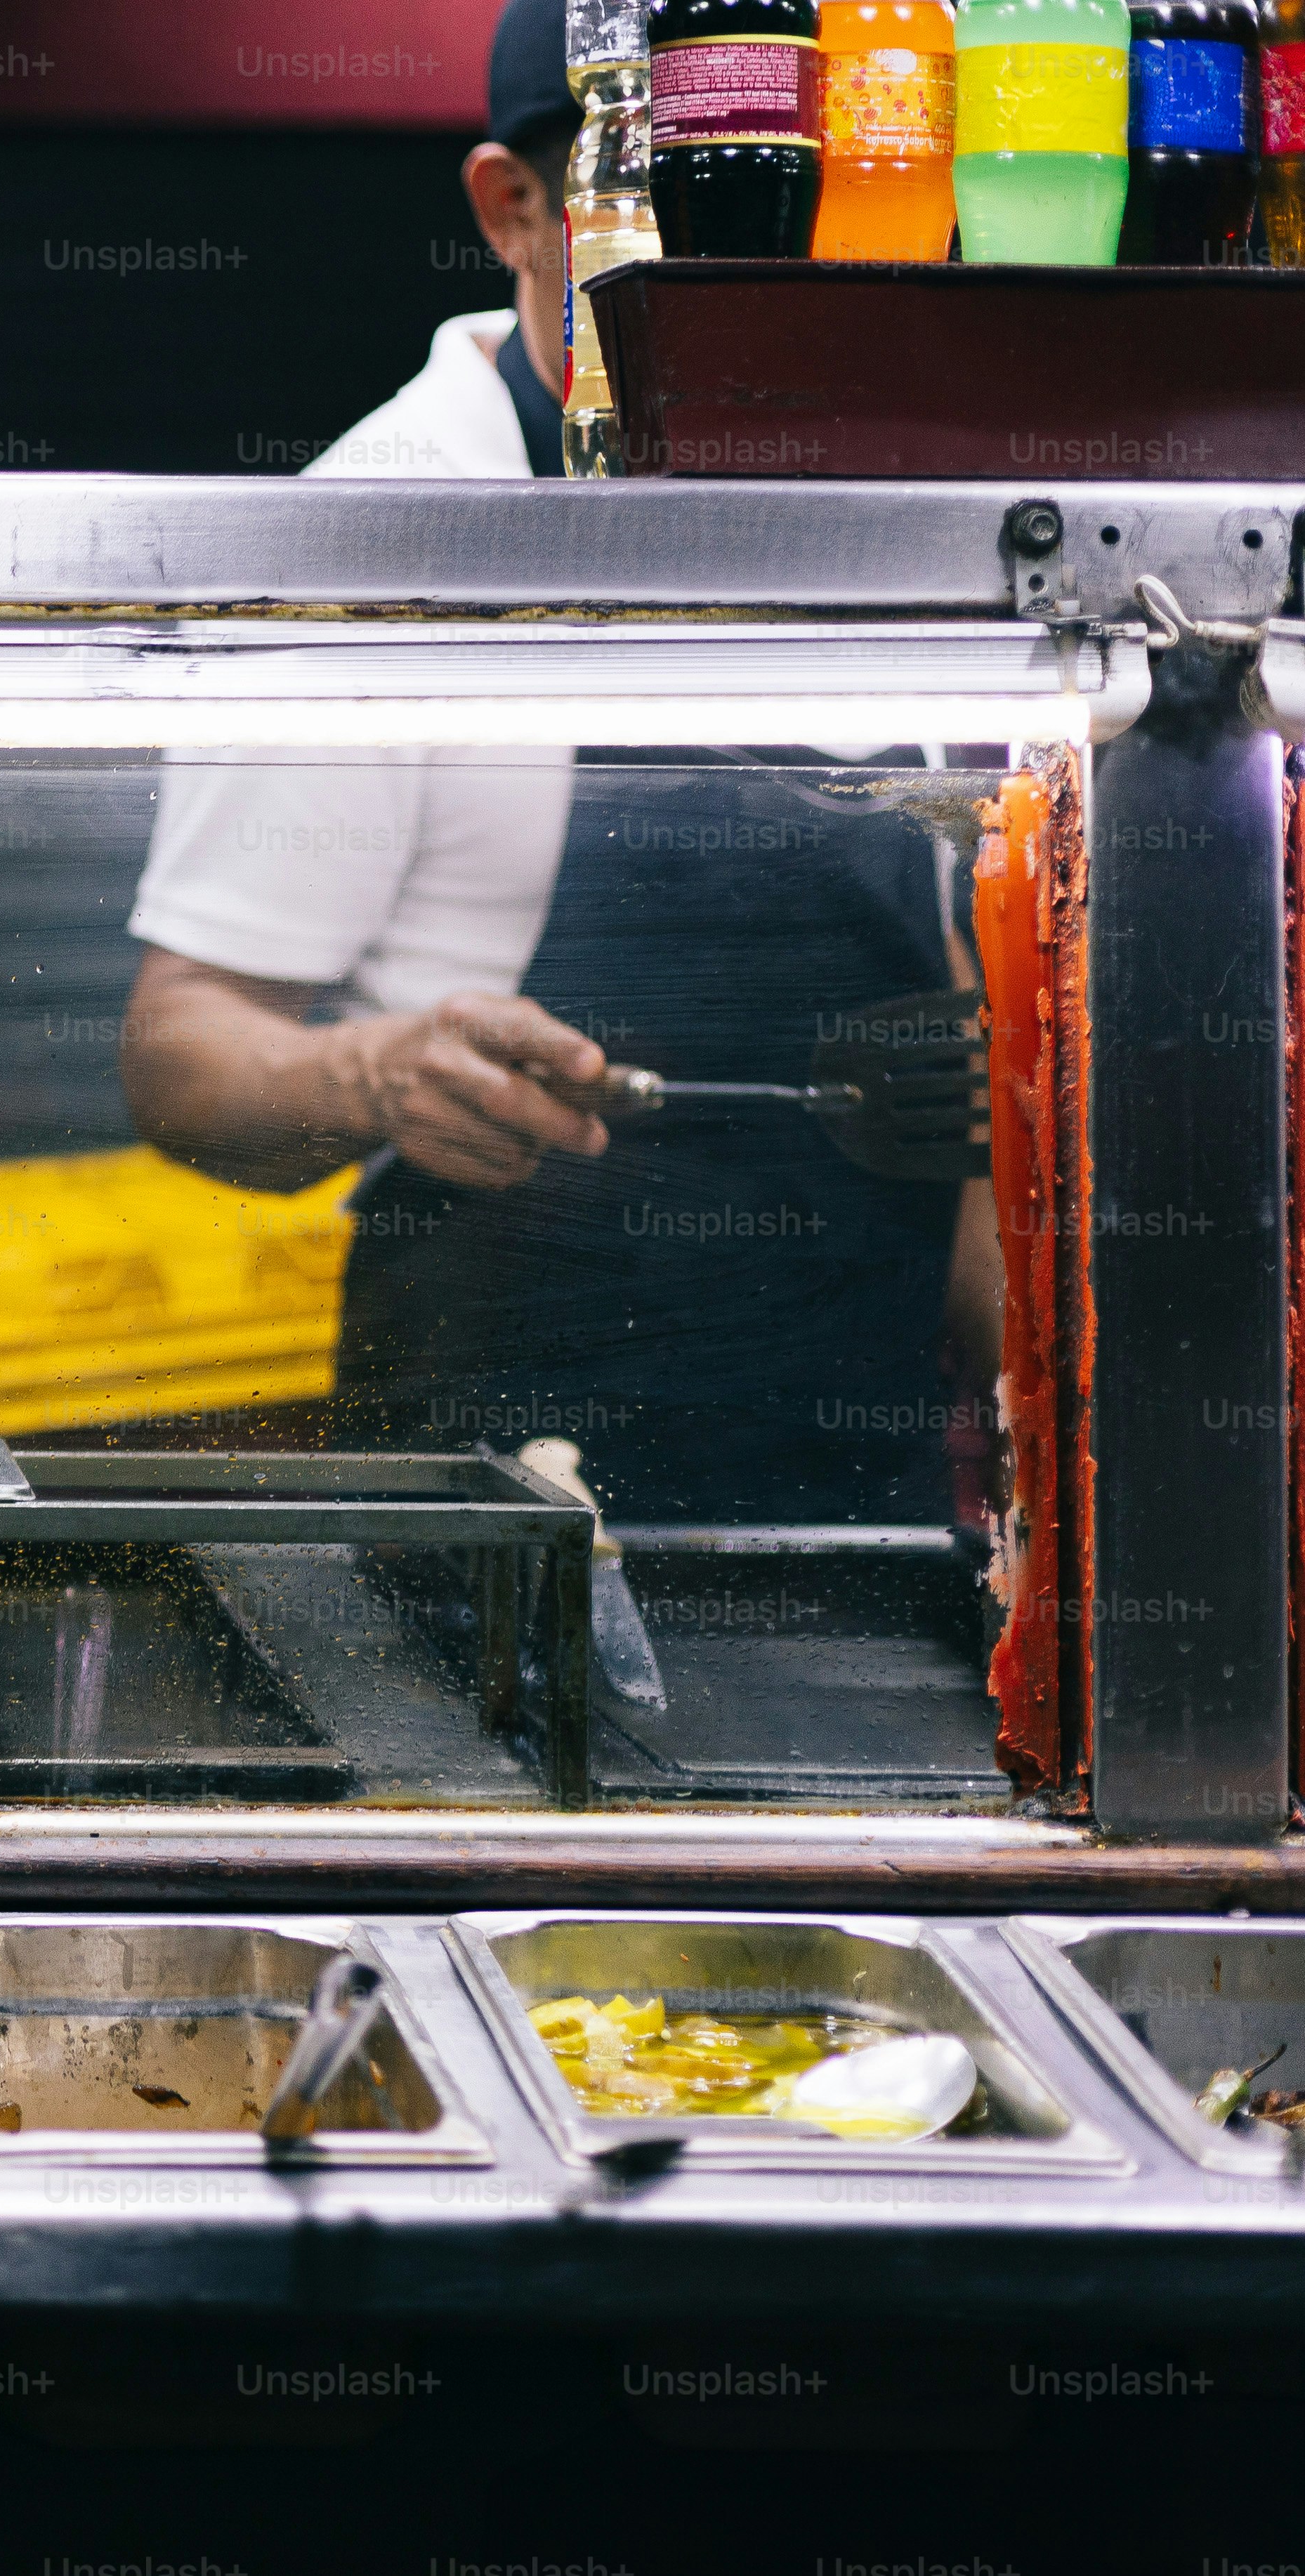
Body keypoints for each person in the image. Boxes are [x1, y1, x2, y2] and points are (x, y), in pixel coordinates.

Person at [117, 0, 986, 1527]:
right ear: (508, 208)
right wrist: (365, 1075)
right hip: (486, 1504)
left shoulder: (923, 527)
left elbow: (959, 1126)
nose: (746, 264)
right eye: (673, 197)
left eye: (794, 198)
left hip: (857, 1501)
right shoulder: (385, 536)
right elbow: (181, 1049)